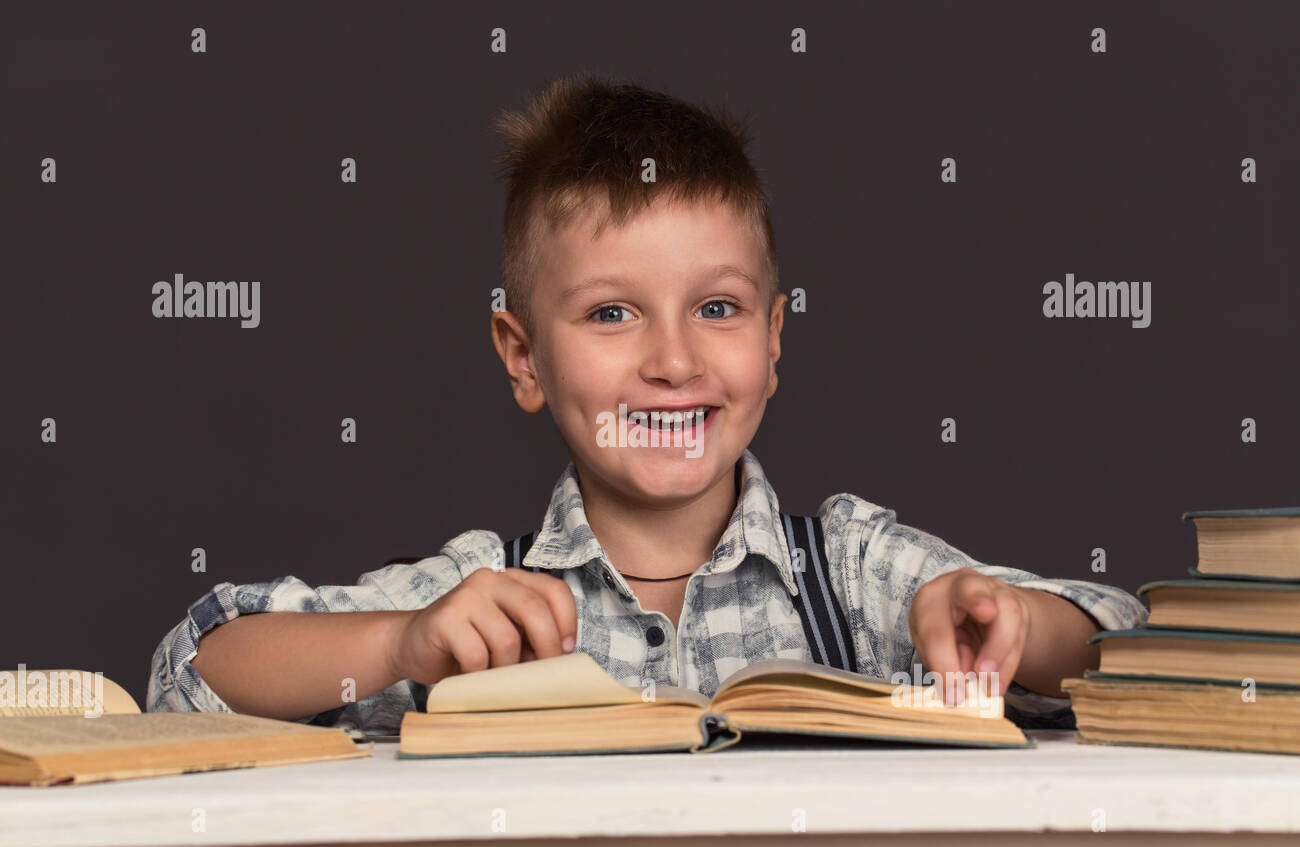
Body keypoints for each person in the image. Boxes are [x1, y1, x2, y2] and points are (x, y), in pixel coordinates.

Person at [147, 73, 1147, 735]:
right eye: (612, 312)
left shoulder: (853, 571)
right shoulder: (480, 594)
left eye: (716, 307)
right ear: (522, 355)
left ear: (772, 338)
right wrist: (395, 644)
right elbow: (197, 666)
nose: (674, 361)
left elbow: (1125, 642)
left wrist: (1002, 618)